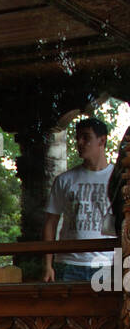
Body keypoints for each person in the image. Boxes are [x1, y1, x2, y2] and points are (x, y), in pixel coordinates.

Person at [43, 117, 116, 283]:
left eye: (86, 137)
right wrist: (48, 264)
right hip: (69, 262)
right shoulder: (65, 180)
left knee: (107, 309)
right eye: (77, 138)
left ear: (102, 140)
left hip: (108, 261)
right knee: (68, 309)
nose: (80, 142)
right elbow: (50, 222)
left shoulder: (117, 178)